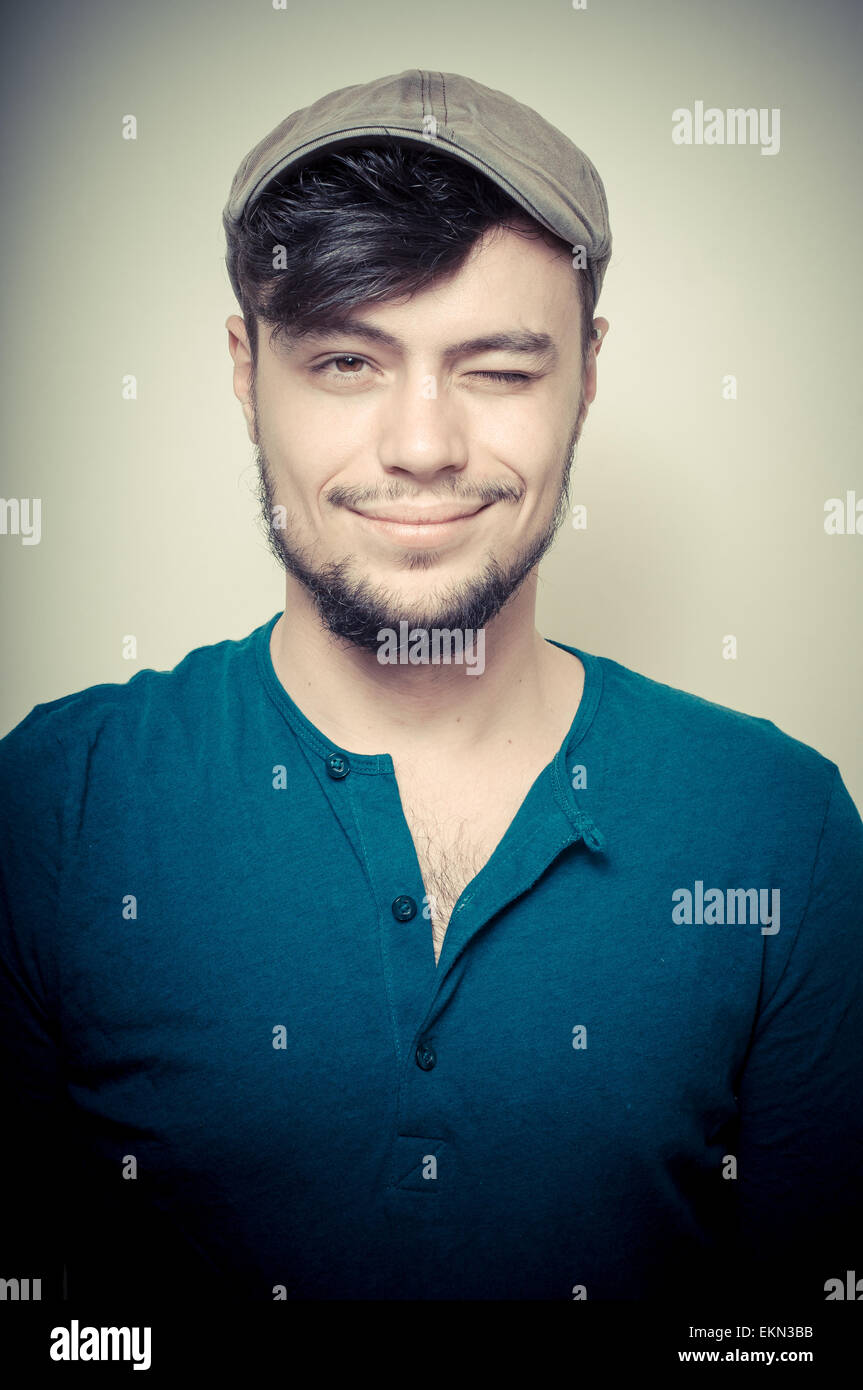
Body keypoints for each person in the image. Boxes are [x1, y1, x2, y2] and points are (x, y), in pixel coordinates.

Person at [1, 69, 860, 1304]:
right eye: (346, 361)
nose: (421, 445)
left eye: (499, 368)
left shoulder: (781, 828)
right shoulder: (55, 807)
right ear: (246, 371)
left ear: (588, 373)